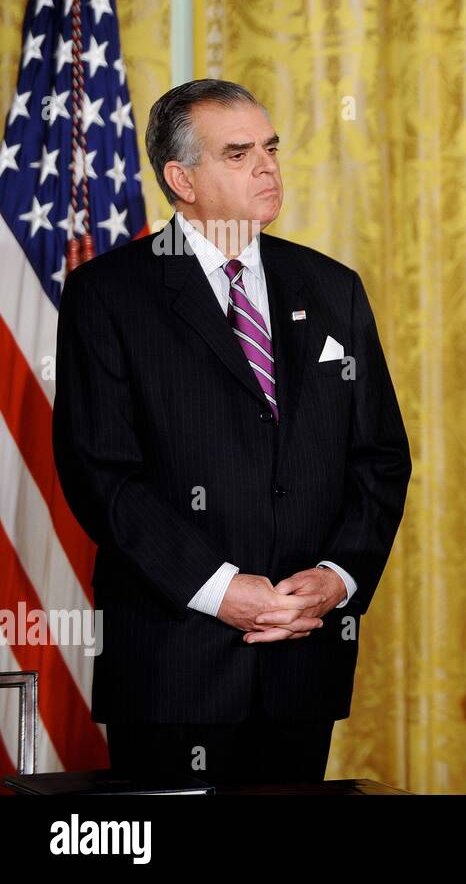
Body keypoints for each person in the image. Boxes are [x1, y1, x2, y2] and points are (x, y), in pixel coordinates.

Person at [52, 79, 412, 785]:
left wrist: (336, 578)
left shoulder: (332, 287)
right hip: (173, 666)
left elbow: (379, 457)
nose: (268, 169)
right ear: (181, 179)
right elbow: (103, 478)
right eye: (239, 154)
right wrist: (221, 590)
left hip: (302, 661)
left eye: (271, 149)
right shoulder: (110, 295)